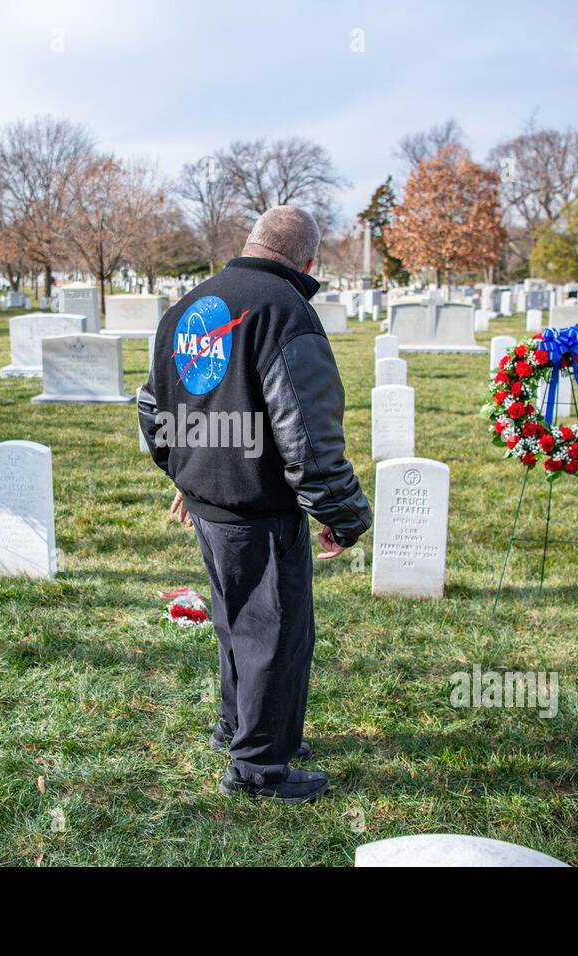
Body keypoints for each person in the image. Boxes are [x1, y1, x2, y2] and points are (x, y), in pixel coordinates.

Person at [138, 206, 372, 804]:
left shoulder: (186, 304)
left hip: (210, 498)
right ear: (309, 263)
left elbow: (152, 405)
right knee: (272, 633)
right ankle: (258, 767)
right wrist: (343, 514)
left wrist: (185, 473)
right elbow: (307, 432)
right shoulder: (287, 312)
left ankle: (238, 726)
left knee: (235, 620)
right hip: (257, 503)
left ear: (251, 243)